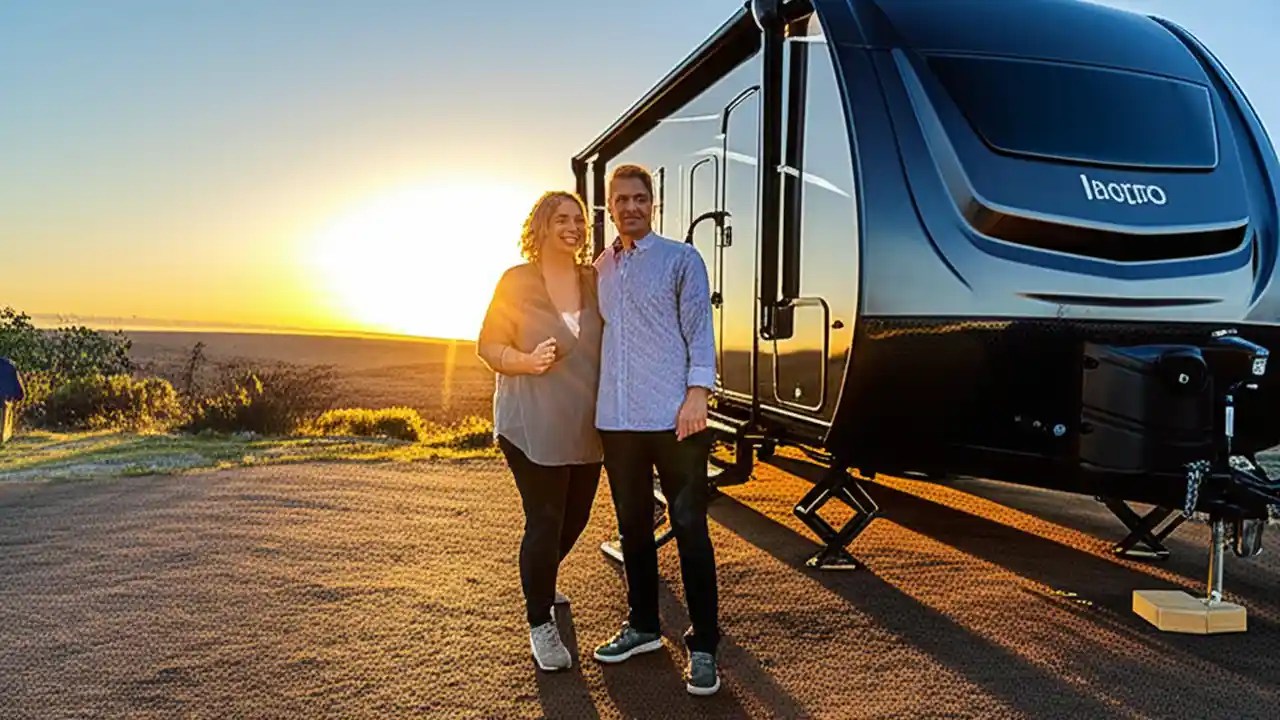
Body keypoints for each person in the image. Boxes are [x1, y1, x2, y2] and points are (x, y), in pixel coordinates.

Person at [591, 163, 722, 696]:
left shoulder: (681, 260)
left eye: (639, 198)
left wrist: (698, 394)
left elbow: (699, 330)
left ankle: (706, 645)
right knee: (633, 531)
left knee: (691, 530)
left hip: (676, 420)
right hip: (617, 422)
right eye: (620, 200)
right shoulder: (601, 268)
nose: (631, 207)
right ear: (609, 206)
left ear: (654, 202)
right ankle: (644, 626)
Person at [476, 190, 603, 672]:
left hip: (584, 423)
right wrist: (525, 362)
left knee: (576, 518)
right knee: (546, 518)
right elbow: (488, 344)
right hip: (529, 420)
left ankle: (542, 576)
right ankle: (539, 622)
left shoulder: (593, 279)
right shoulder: (516, 280)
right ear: (541, 227)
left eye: (577, 220)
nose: (571, 226)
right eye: (560, 219)